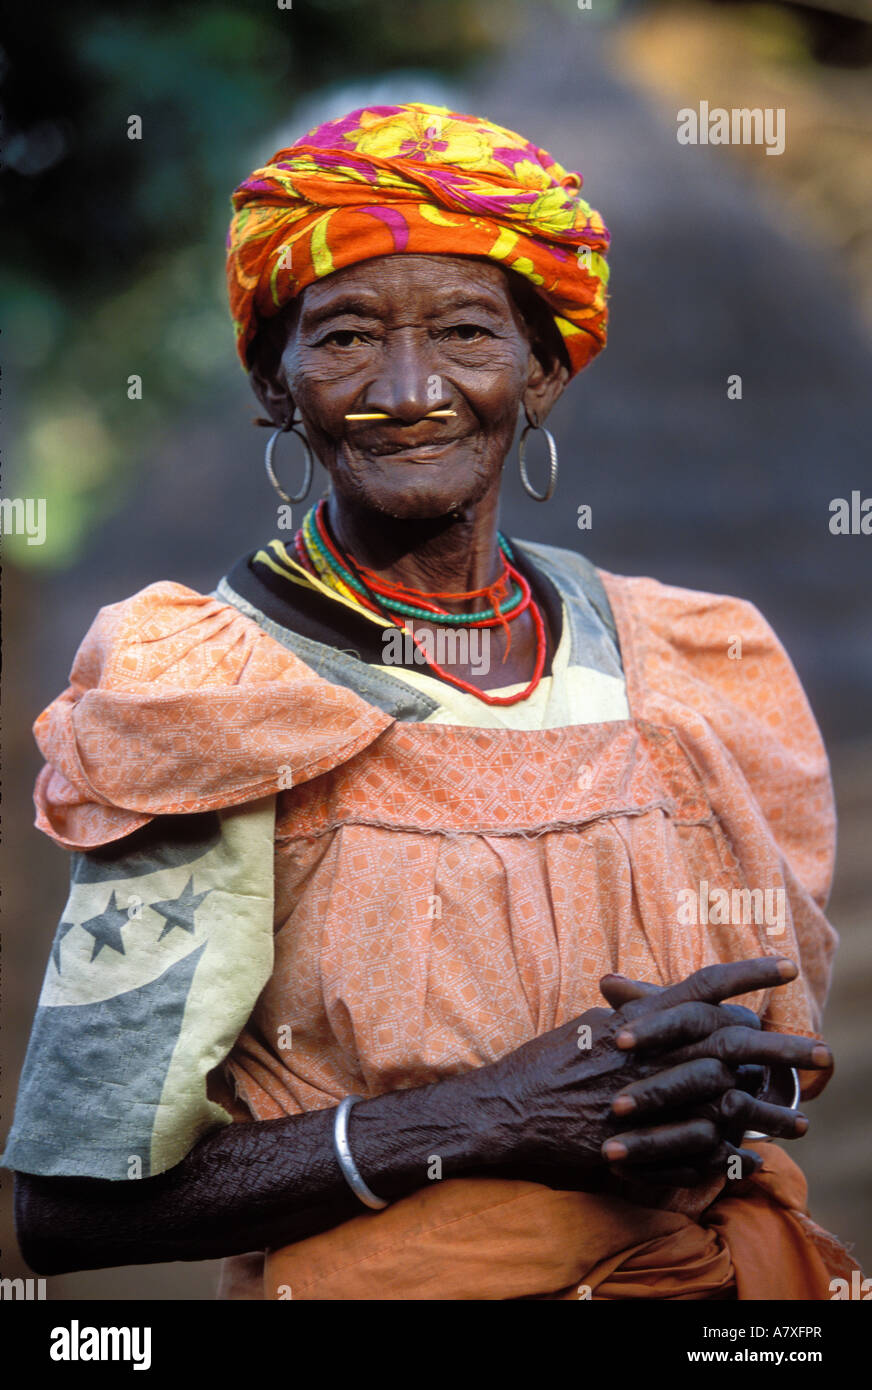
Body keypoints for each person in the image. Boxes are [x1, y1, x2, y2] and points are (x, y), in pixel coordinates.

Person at [3, 102, 861, 1300]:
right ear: (272, 381)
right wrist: (488, 1114)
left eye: (465, 331)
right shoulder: (206, 700)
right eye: (344, 336)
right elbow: (71, 1209)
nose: (406, 390)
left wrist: (704, 1085)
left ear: (543, 370)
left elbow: (775, 1057)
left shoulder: (687, 662)